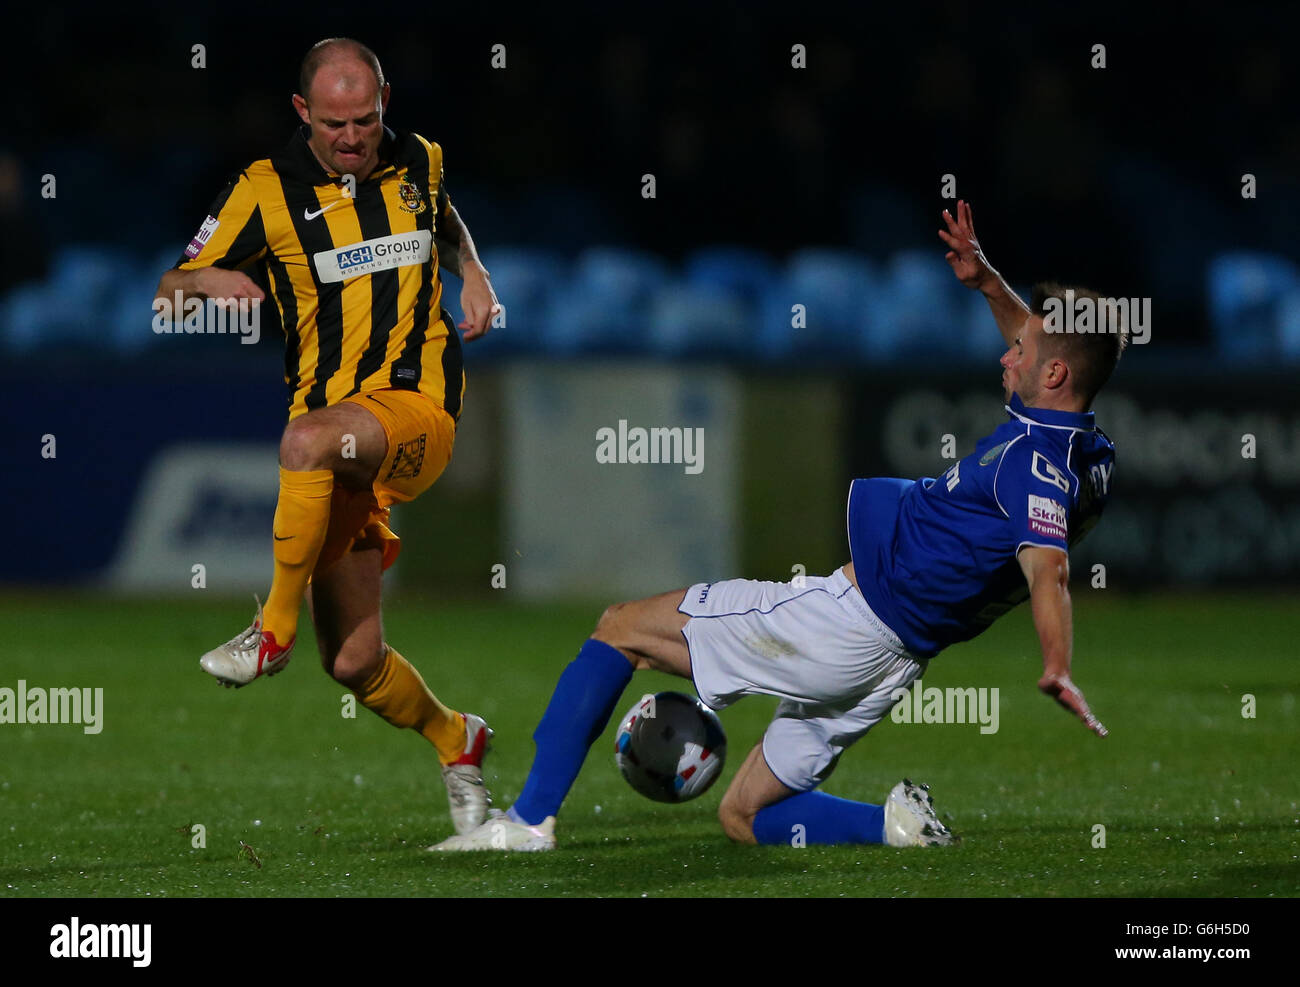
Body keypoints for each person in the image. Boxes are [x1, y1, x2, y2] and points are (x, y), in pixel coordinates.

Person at [433, 200, 1123, 852]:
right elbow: (1041, 365)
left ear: (1054, 370)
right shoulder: (1081, 449)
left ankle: (526, 821)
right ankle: (897, 825)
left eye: (1023, 348)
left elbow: (1048, 566)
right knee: (746, 814)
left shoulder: (1036, 462)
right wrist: (988, 282)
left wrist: (1057, 664)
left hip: (846, 624)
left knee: (619, 628)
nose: (1008, 352)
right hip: (894, 661)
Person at [155, 37, 499, 837]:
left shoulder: (418, 158)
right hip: (341, 446)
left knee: (303, 442)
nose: (353, 139)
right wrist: (204, 281)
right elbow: (169, 294)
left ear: (386, 105)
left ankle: (266, 631)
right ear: (303, 113)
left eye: (367, 121)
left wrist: (472, 269)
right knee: (353, 662)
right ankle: (458, 738)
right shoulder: (262, 191)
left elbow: (443, 220)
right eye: (336, 123)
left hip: (417, 410)